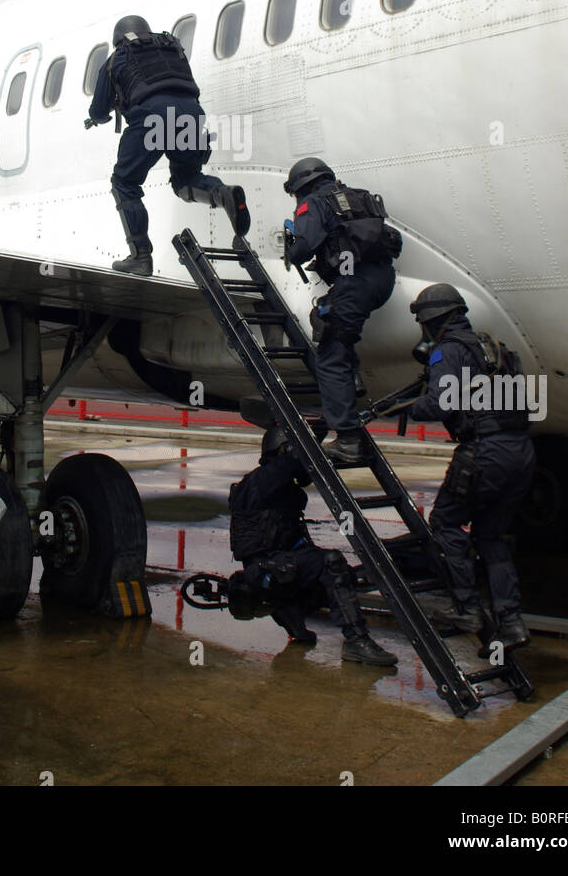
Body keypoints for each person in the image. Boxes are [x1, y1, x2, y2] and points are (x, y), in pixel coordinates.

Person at [403, 283, 535, 651]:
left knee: (445, 523)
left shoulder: (447, 351)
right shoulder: (494, 348)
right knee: (491, 536)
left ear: (432, 322)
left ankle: (466, 606)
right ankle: (511, 622)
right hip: (520, 451)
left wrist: (409, 408)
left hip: (484, 451)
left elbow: (439, 405)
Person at [87, 16, 249, 275]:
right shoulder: (172, 48)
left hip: (151, 115)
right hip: (192, 113)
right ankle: (223, 194)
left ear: (119, 38)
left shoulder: (117, 57)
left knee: (125, 183)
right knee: (187, 179)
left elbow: (98, 109)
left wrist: (98, 118)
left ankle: (141, 256)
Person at [228, 425, 398, 665]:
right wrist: (325, 423)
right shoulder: (265, 479)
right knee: (331, 564)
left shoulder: (275, 486)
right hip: (266, 570)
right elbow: (295, 457)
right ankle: (356, 640)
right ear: (283, 450)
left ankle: (289, 609)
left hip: (277, 566)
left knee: (343, 575)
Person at [282, 157, 401, 466]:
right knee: (325, 316)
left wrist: (290, 251)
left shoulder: (313, 203)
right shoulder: (357, 197)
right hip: (383, 279)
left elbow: (306, 244)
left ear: (300, 185)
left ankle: (347, 440)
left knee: (330, 355)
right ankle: (354, 381)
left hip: (354, 283)